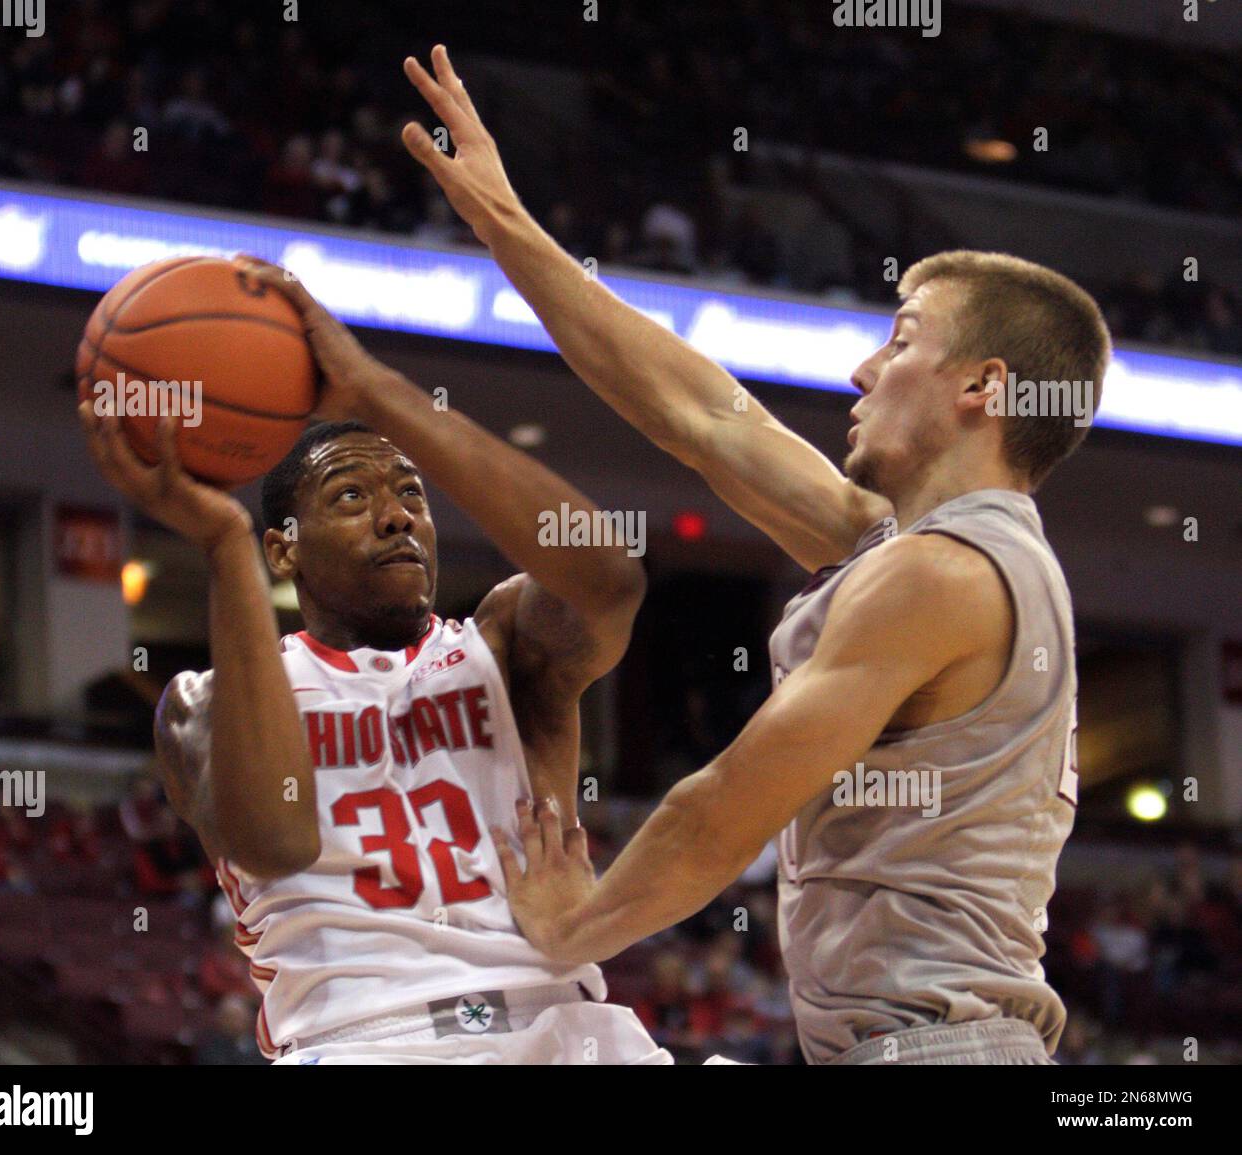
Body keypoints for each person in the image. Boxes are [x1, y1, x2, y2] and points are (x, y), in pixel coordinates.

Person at [401, 44, 1112, 1065]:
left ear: (981, 388)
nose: (863, 368)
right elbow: (702, 416)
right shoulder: (915, 550)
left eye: (902, 341)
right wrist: (504, 227)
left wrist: (572, 924)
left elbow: (721, 811)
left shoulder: (940, 578)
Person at [76, 257, 668, 1065]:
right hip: (365, 1041)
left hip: (567, 1027)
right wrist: (222, 544)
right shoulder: (203, 703)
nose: (396, 517)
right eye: (352, 497)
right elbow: (274, 841)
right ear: (282, 548)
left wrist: (375, 391)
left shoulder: (503, 646)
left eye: (413, 494)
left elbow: (609, 576)